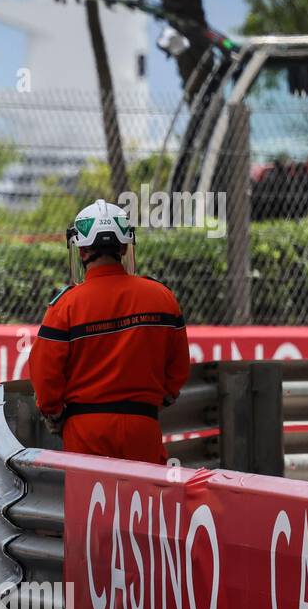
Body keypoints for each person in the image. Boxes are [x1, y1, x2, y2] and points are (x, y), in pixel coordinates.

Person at [29, 199, 190, 465]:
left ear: (81, 251)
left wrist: (55, 414)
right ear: (125, 246)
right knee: (143, 504)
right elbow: (178, 369)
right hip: (143, 427)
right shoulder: (162, 298)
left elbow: (45, 376)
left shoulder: (66, 306)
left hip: (84, 431)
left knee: (88, 505)